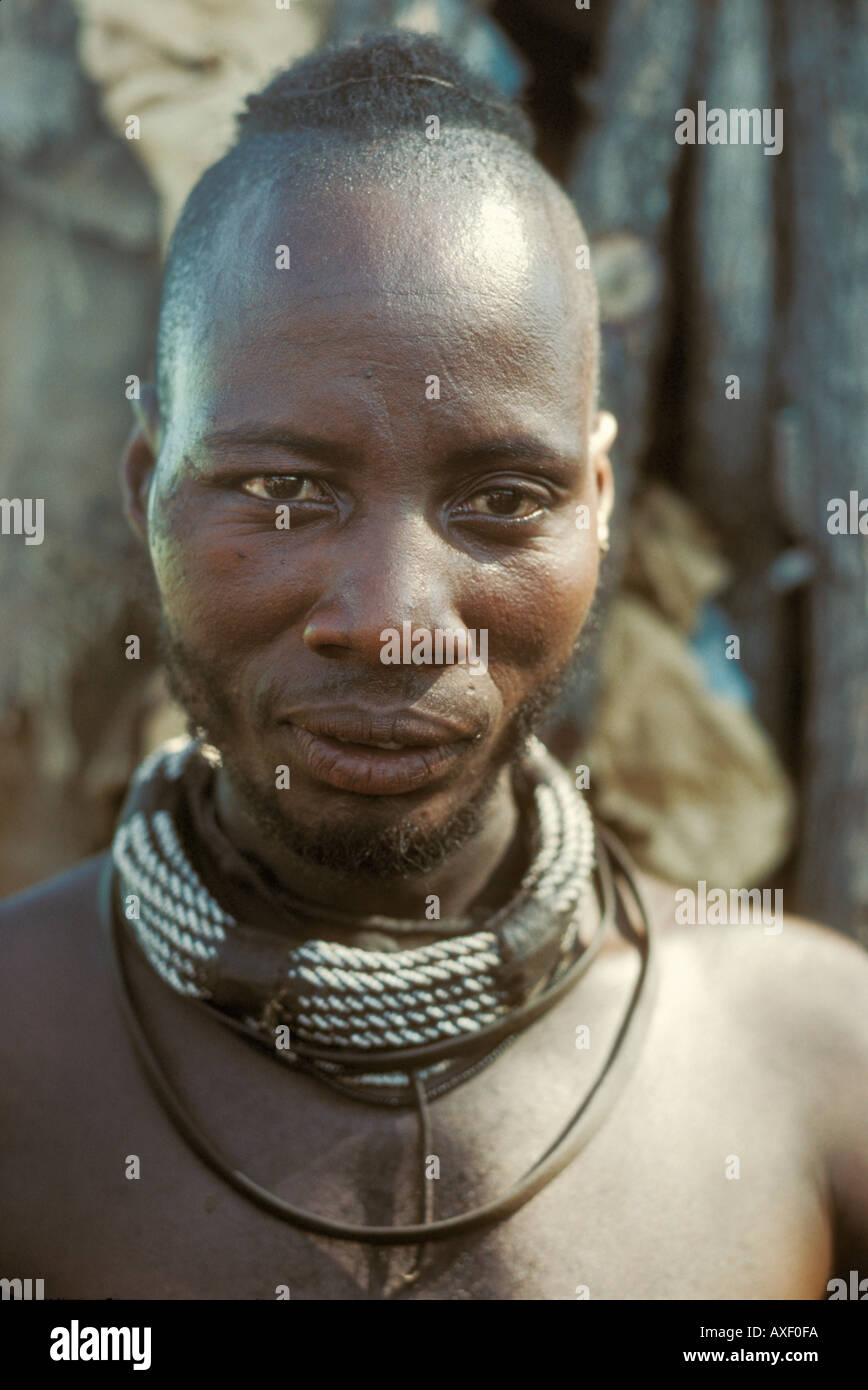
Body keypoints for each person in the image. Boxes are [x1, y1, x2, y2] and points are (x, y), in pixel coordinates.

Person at [1, 31, 866, 1302]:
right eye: (285, 491)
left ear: (602, 504)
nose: (395, 621)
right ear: (148, 495)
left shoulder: (813, 1067)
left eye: (502, 498)